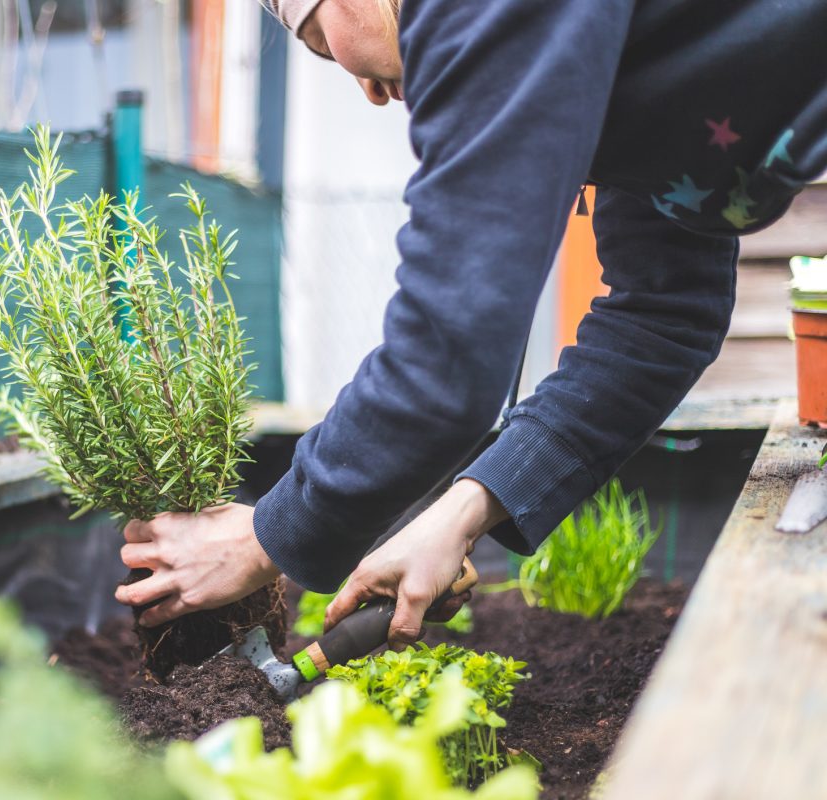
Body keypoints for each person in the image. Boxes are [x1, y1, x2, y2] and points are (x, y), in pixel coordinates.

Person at [115, 0, 827, 650]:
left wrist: (262, 540)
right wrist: (461, 512)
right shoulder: (587, 66)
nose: (366, 91)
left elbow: (447, 352)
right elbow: (663, 315)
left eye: (323, 46)